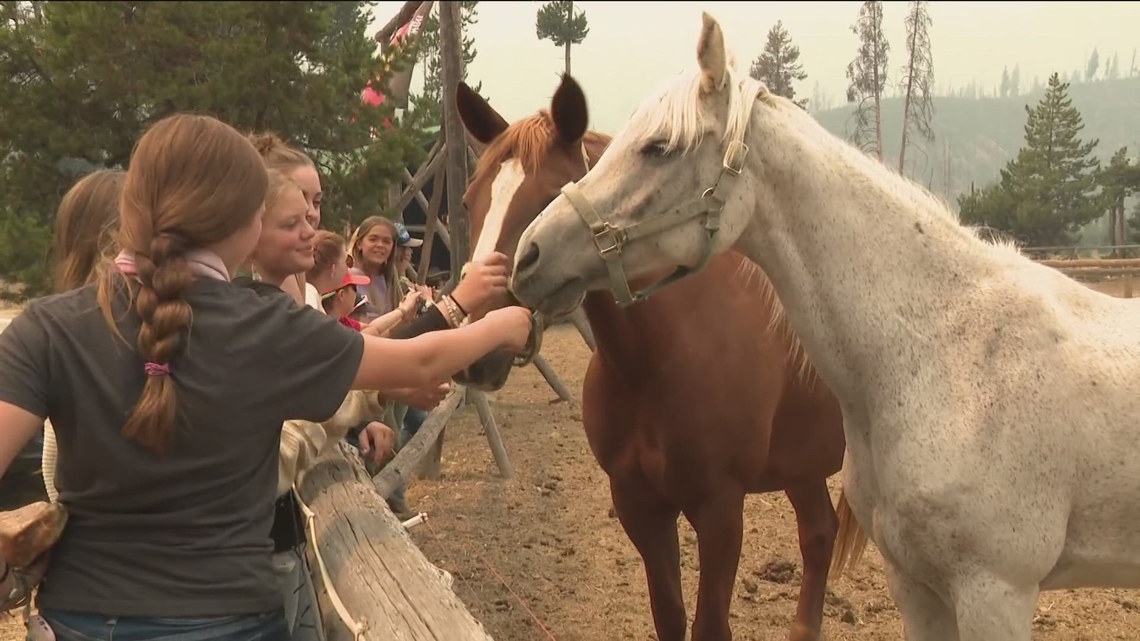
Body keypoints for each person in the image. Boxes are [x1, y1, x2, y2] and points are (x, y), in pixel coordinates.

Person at [0, 113, 531, 639]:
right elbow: (417, 361)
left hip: (78, 619)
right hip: (227, 619)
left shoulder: (47, 326)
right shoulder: (266, 323)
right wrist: (501, 326)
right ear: (239, 221)